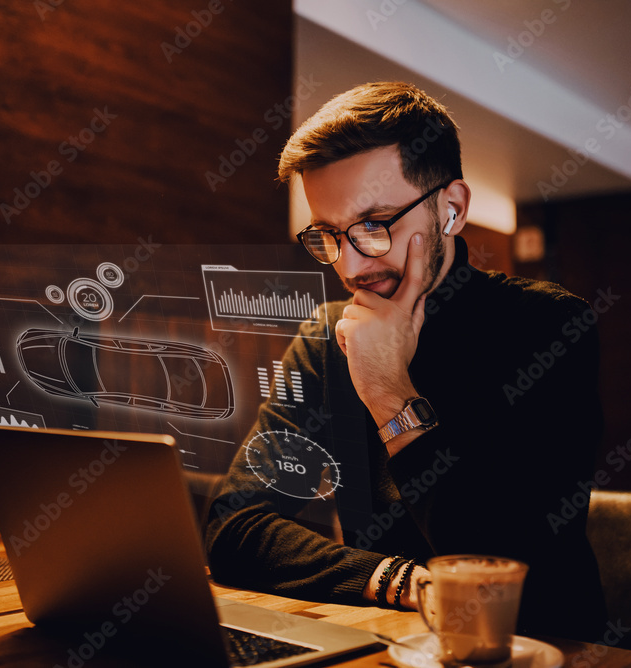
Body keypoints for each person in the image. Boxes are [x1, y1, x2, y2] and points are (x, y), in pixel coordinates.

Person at [205, 81, 607, 640]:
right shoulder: (327, 336)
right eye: (328, 234)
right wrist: (397, 580)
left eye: (375, 224)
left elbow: (510, 581)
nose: (349, 266)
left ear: (452, 209)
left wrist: (390, 396)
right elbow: (235, 526)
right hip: (393, 639)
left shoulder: (548, 326)